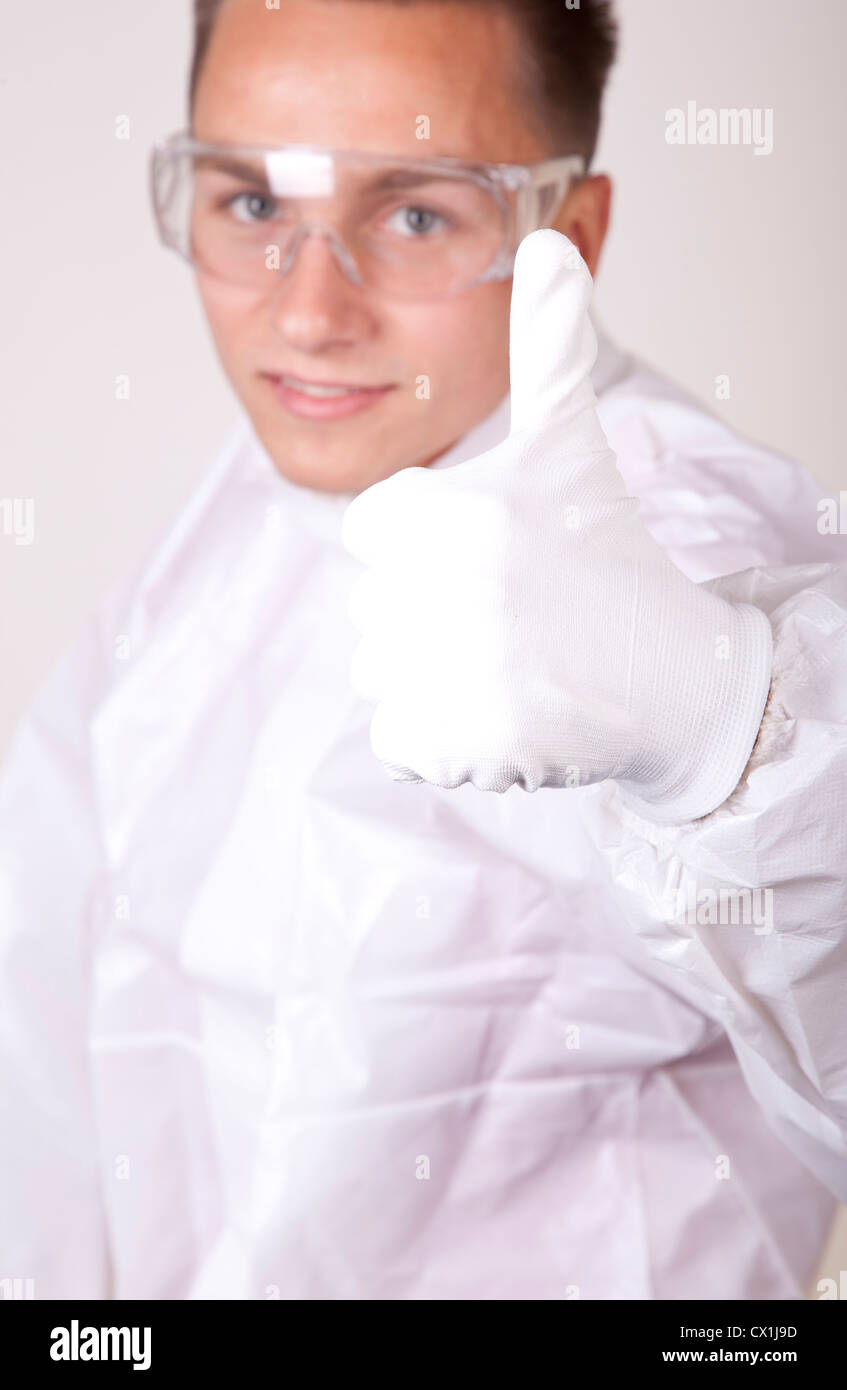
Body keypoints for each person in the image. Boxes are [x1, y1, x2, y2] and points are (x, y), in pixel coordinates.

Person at [1, 0, 845, 1300]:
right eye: (252, 203)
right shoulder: (248, 514)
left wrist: (730, 738)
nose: (308, 314)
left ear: (571, 237)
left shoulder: (696, 571)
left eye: (414, 214)